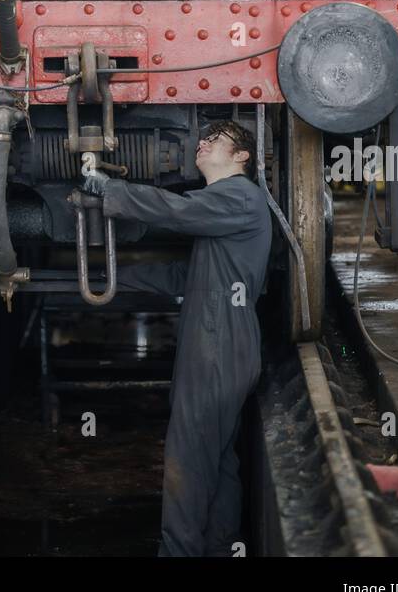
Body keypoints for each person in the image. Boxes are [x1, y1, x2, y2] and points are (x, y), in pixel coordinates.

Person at [78, 120, 272, 557]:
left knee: (186, 460)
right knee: (218, 462)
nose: (202, 142)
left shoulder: (238, 196)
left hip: (217, 349)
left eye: (215, 140)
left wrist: (109, 190)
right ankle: (220, 548)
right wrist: (108, 278)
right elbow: (183, 274)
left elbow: (176, 210)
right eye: (202, 137)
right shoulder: (233, 211)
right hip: (228, 346)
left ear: (242, 156)